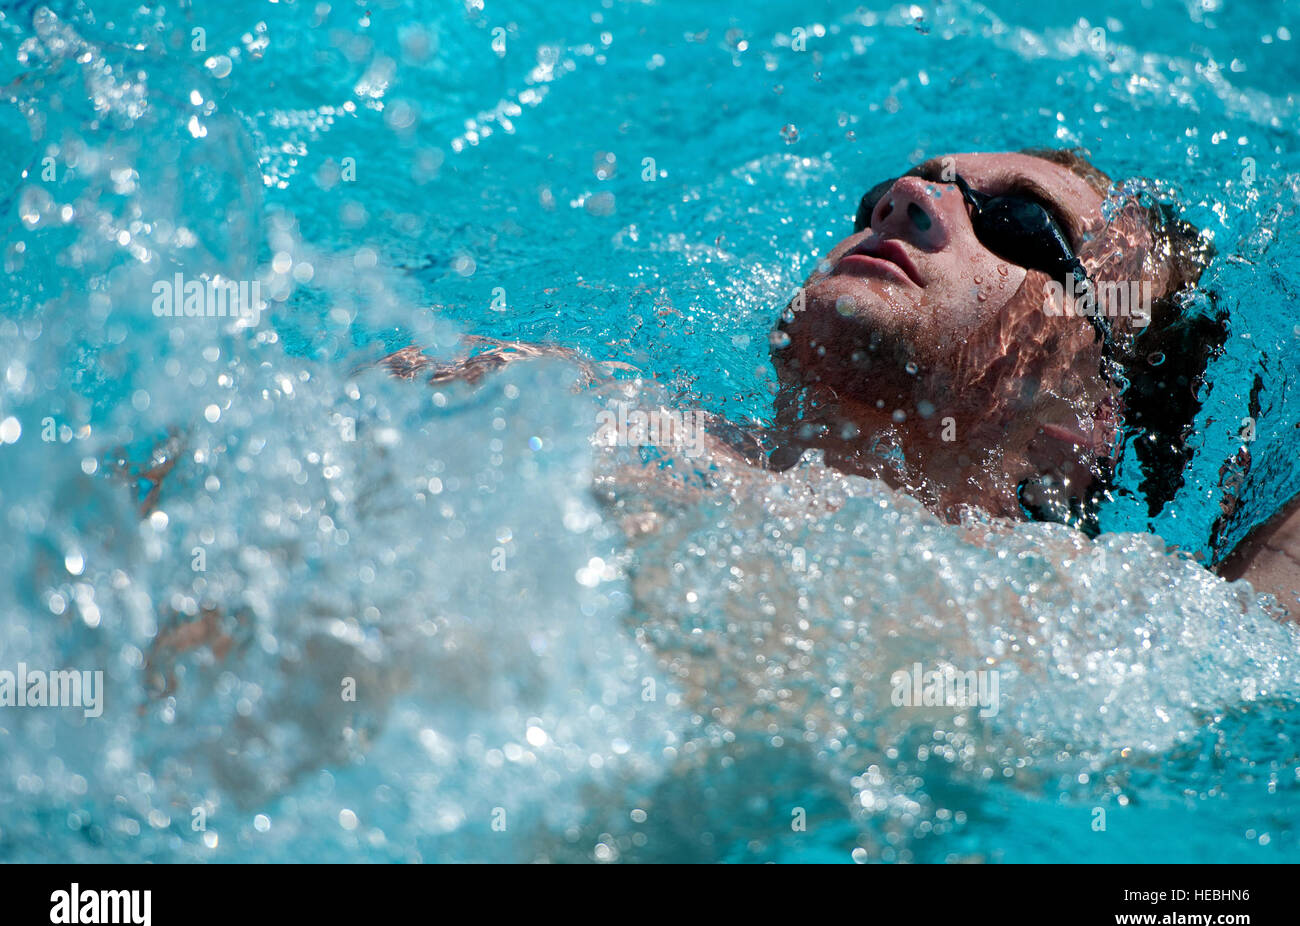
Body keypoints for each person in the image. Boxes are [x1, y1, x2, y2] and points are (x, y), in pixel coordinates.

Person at [386, 149, 1299, 618]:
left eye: (1020, 220)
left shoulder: (1089, 621)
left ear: (1085, 422)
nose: (909, 196)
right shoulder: (546, 399)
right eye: (892, 191)